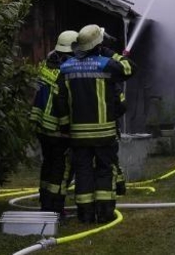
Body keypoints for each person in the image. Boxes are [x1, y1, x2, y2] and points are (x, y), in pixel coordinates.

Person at [55, 24, 134, 224]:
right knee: (105, 170)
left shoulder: (65, 68)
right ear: (98, 44)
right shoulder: (105, 64)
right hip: (104, 134)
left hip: (79, 136)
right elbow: (130, 67)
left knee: (83, 172)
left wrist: (65, 127)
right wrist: (110, 53)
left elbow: (60, 103)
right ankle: (105, 213)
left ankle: (85, 214)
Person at [29, 29, 77, 218]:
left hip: (42, 128)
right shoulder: (65, 72)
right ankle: (55, 208)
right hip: (58, 130)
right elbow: (63, 102)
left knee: (47, 165)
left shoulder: (46, 65)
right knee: (61, 169)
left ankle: (45, 201)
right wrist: (67, 127)